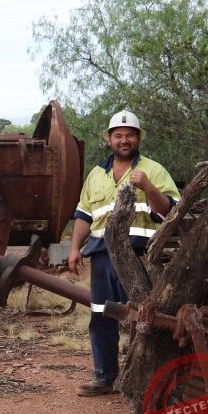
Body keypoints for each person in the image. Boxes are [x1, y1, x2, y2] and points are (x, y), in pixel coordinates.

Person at [68, 110, 179, 396]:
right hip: (103, 257)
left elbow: (171, 210)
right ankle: (105, 378)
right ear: (109, 139)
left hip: (141, 258)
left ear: (138, 138)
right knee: (101, 315)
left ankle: (147, 382)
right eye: (118, 135)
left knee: (144, 320)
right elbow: (84, 214)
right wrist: (74, 248)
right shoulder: (96, 174)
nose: (124, 139)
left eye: (130, 134)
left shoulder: (153, 170)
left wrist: (148, 187)